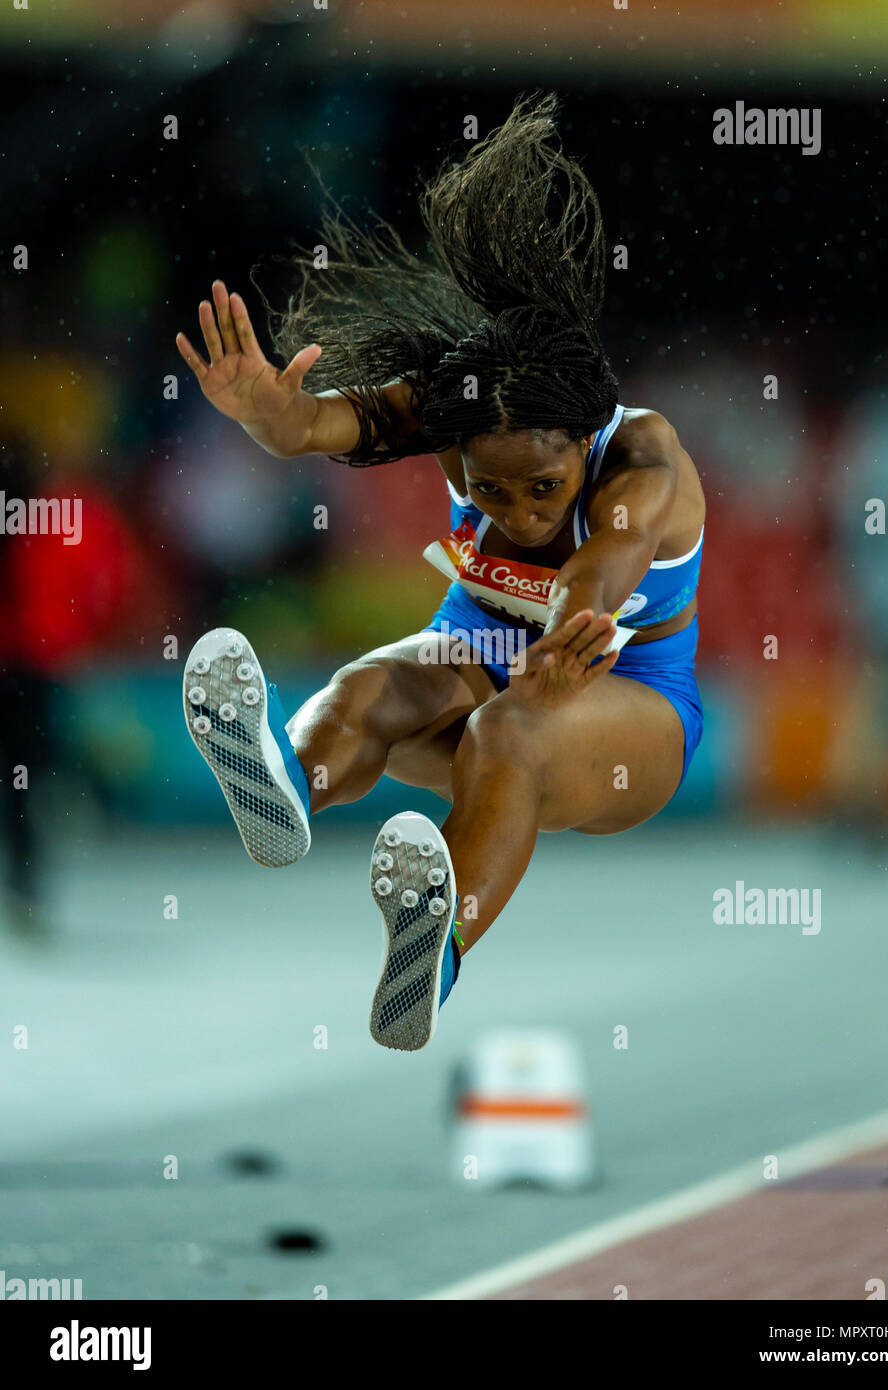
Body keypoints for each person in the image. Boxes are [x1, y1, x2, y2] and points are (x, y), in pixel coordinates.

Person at [175, 93, 706, 1051]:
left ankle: (440, 940)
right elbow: (321, 424)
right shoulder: (462, 412)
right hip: (477, 653)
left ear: (585, 445)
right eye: (487, 491)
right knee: (368, 686)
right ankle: (286, 787)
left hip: (629, 709)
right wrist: (273, 418)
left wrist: (567, 635)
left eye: (544, 485)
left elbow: (603, 564)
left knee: (511, 728)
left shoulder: (645, 461)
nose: (520, 511)